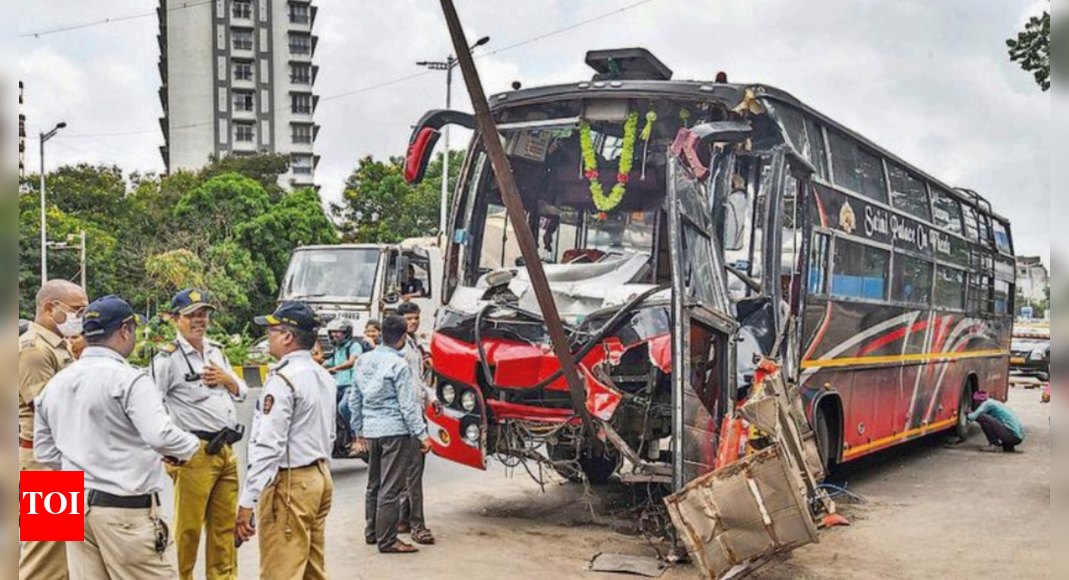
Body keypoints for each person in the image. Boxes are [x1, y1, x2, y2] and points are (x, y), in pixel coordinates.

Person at [35, 295, 201, 580]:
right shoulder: (129, 379)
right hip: (123, 509)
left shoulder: (56, 383)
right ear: (125, 330)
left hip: (70, 500)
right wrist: (191, 446)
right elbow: (160, 435)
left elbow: (46, 454)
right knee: (39, 565)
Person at [151, 289, 248, 580]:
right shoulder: (167, 359)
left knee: (224, 529)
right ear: (174, 319)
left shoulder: (216, 351)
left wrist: (227, 380)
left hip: (226, 449)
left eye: (203, 314)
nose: (199, 320)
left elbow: (242, 392)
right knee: (188, 529)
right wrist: (167, 450)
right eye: (191, 315)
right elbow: (152, 407)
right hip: (194, 452)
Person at [237, 302, 336, 580]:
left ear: (288, 336)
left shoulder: (284, 380)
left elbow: (269, 447)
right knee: (311, 571)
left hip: (290, 483)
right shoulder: (322, 376)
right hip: (318, 478)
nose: (268, 335)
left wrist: (247, 501)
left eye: (272, 330)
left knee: (280, 572)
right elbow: (330, 435)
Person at [19, 280, 88, 580]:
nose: (82, 318)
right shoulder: (33, 349)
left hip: (57, 458)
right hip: (41, 463)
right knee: (45, 557)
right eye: (77, 311)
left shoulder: (60, 347)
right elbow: (47, 407)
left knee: (61, 555)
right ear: (50, 309)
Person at [350, 316, 432, 554]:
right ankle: (388, 540)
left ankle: (372, 532)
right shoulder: (399, 365)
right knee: (391, 487)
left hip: (371, 430)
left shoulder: (363, 361)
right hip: (395, 431)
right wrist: (422, 434)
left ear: (382, 334)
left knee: (373, 483)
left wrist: (358, 430)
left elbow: (355, 398)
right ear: (403, 337)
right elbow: (408, 405)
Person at [394, 302, 434, 544]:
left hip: (418, 412)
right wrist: (419, 429)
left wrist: (433, 397)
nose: (414, 322)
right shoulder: (399, 351)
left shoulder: (414, 346)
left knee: (413, 471)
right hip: (408, 418)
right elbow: (405, 391)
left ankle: (403, 519)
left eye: (416, 317)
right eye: (409, 318)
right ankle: (418, 526)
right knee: (413, 473)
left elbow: (419, 383)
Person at [325, 319, 362, 440]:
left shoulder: (354, 346)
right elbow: (327, 364)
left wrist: (334, 369)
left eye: (338, 332)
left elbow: (352, 362)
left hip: (351, 385)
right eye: (332, 332)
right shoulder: (337, 349)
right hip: (337, 385)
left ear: (347, 333)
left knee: (344, 407)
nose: (334, 335)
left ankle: (355, 435)